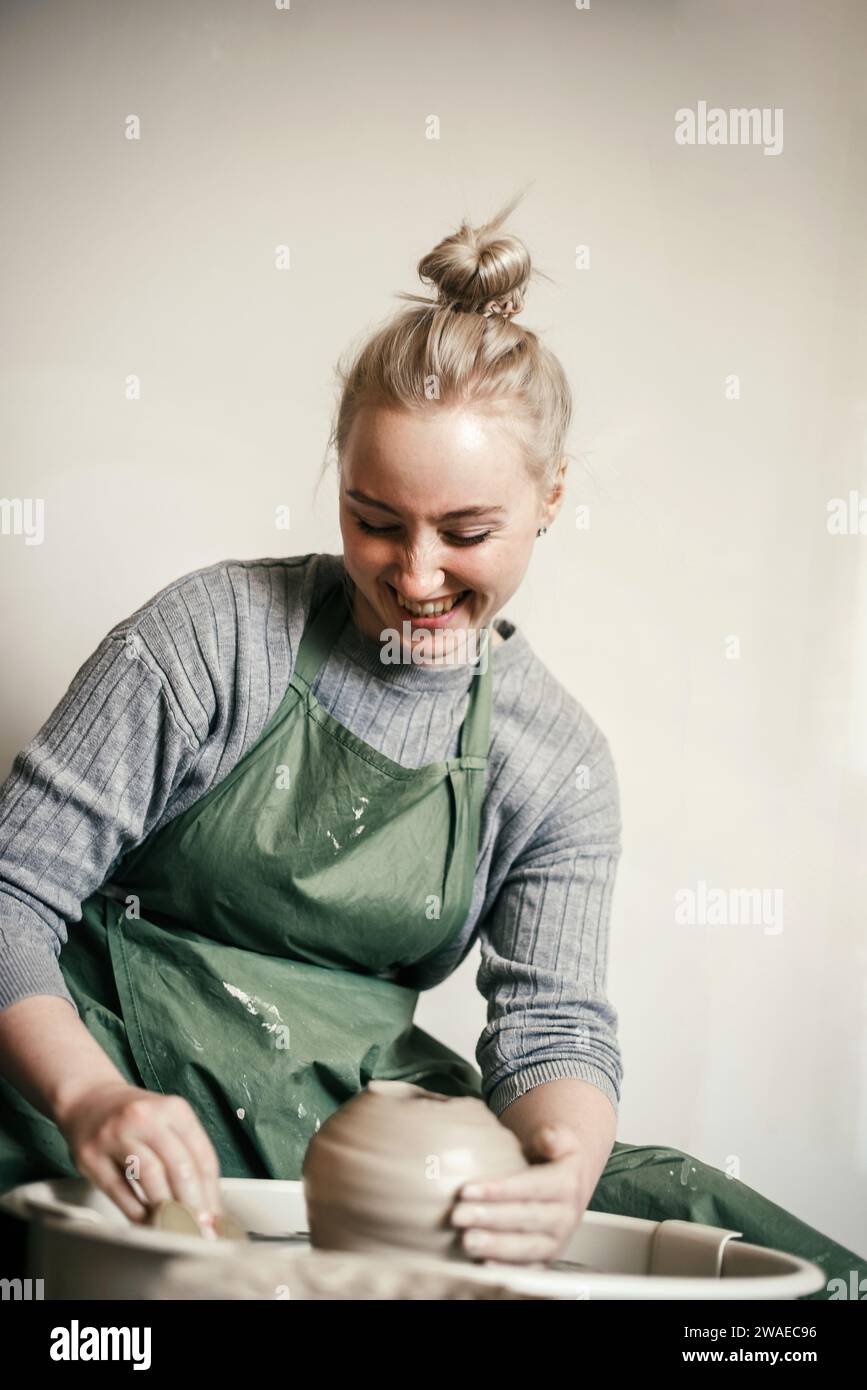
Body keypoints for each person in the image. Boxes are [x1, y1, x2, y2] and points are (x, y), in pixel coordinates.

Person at [0, 196, 863, 1298]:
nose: (413, 575)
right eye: (374, 519)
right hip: (115, 1081)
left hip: (340, 1120)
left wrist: (562, 1168)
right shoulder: (213, 637)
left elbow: (551, 1033)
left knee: (689, 1206)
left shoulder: (552, 759)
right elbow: (12, 895)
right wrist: (85, 1096)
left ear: (550, 500)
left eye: (466, 534)